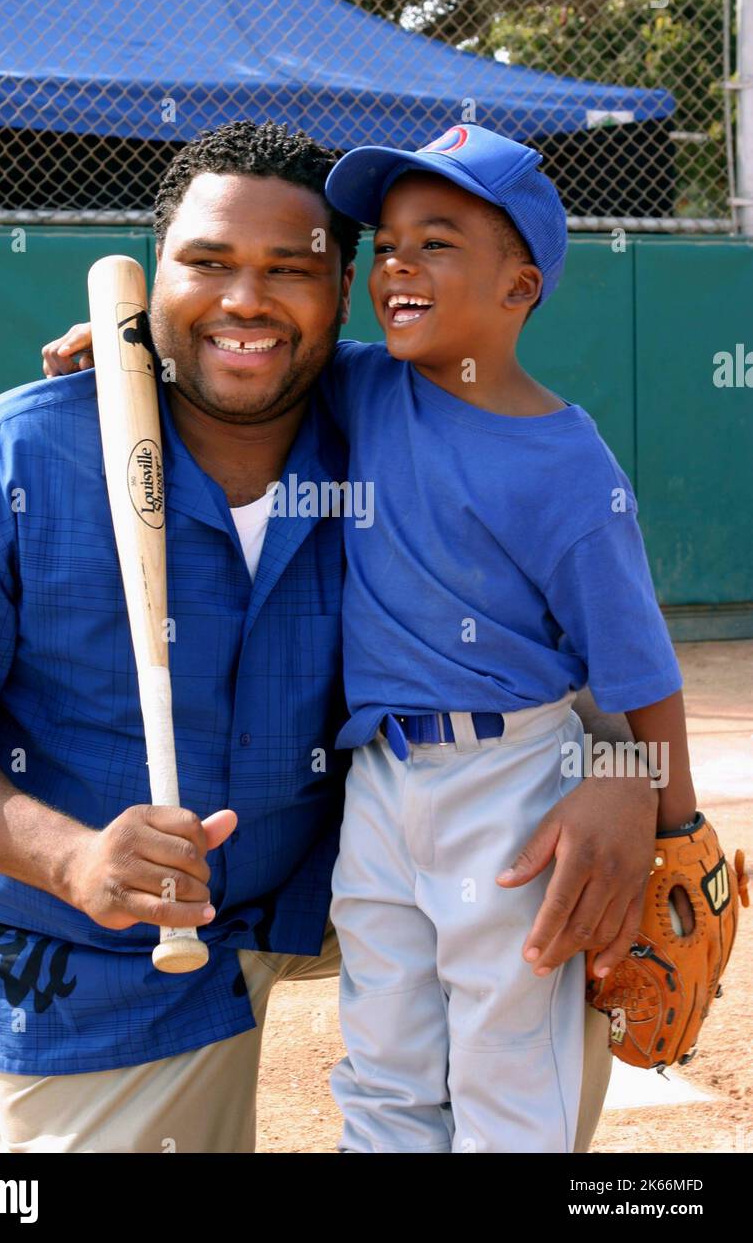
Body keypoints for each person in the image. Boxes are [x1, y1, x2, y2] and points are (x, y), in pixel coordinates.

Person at [0, 122, 654, 1155]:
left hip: (349, 868)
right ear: (150, 280)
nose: (245, 300)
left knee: (538, 954)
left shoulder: (402, 422)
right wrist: (73, 860)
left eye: (289, 270)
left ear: (343, 296)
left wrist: (621, 771)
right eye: (205, 265)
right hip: (110, 943)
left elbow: (586, 638)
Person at [307, 122, 696, 1152]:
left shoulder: (568, 467)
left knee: (505, 1069)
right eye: (384, 242)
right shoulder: (360, 384)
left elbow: (637, 666)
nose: (394, 262)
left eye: (435, 241)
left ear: (518, 289)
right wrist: (138, 357)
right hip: (380, 781)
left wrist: (676, 831)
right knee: (381, 1058)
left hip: (512, 782)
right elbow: (251, 355)